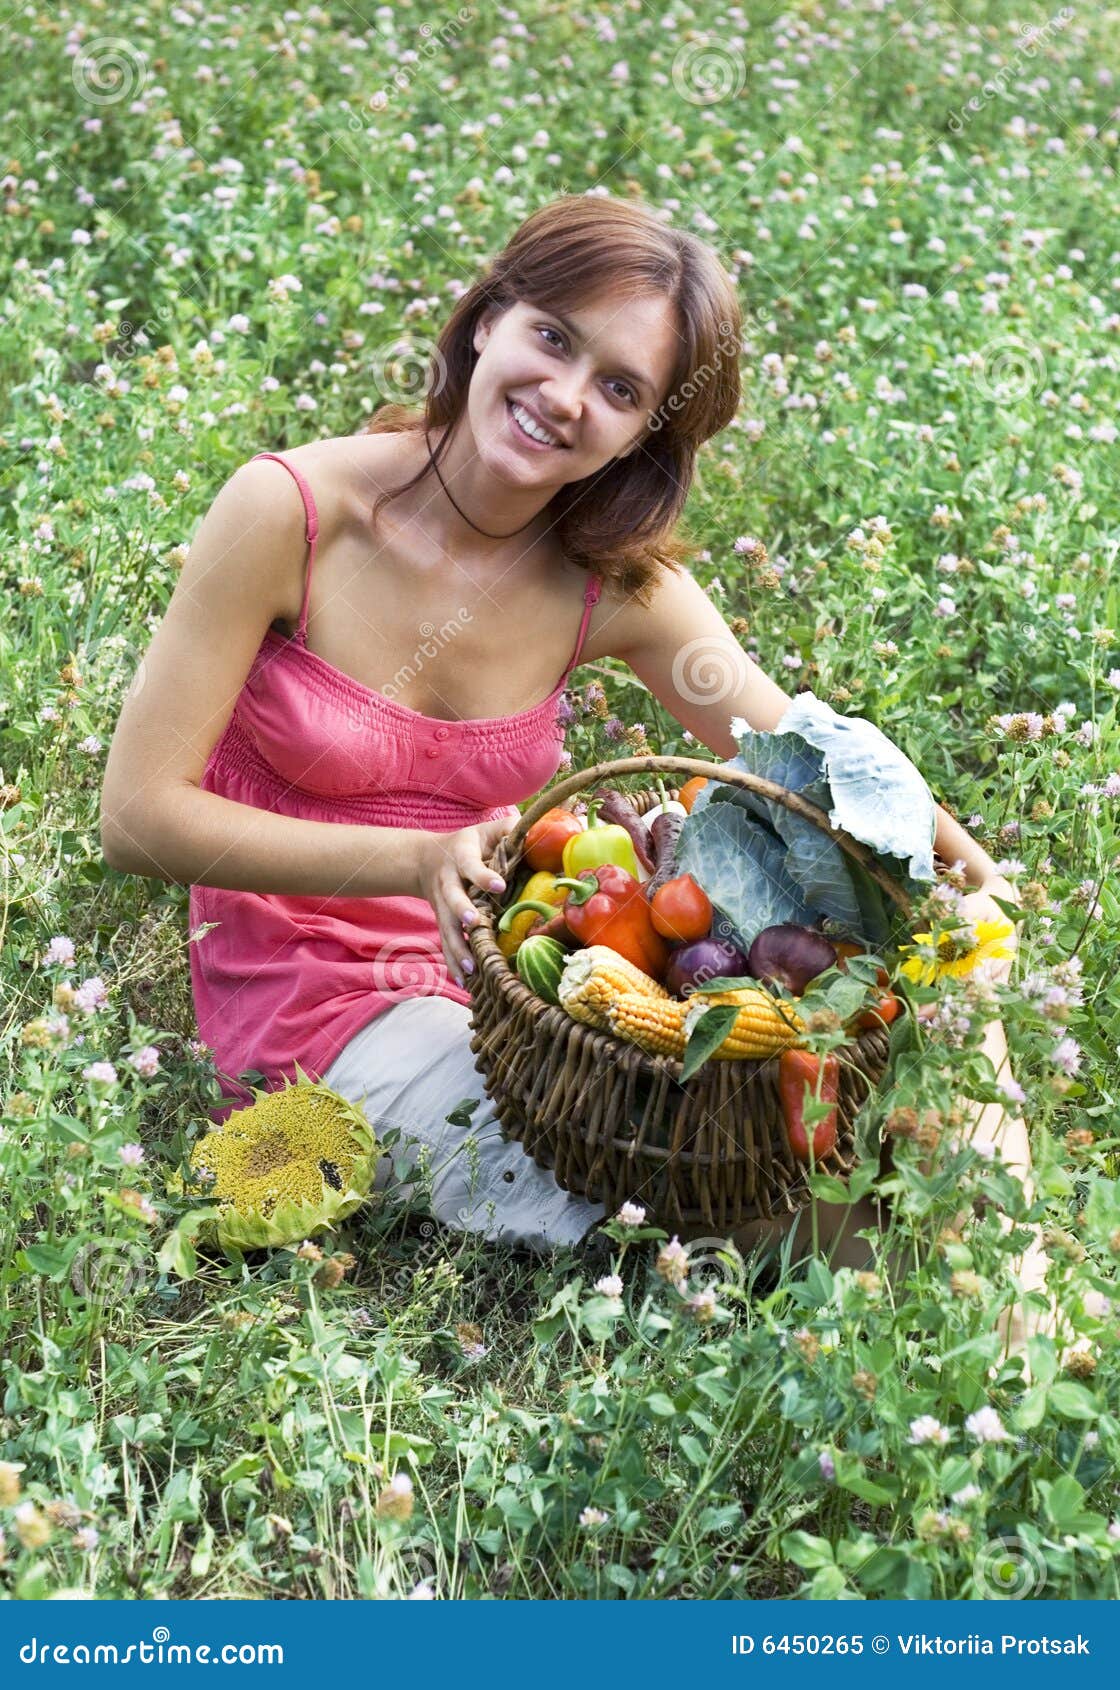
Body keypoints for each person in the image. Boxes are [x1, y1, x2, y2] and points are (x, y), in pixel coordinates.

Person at [99, 194, 1081, 1354]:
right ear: (487, 319)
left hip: (532, 977)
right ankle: (997, 1339)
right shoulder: (295, 513)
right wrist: (413, 859)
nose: (566, 397)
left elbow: (795, 751)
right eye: (554, 338)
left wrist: (950, 863)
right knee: (724, 1194)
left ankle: (1016, 1297)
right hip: (328, 1022)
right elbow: (138, 816)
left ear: (641, 437)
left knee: (937, 1009)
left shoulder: (608, 582)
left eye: (620, 389)